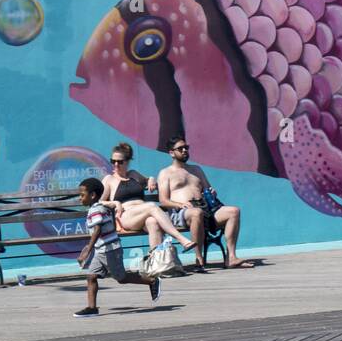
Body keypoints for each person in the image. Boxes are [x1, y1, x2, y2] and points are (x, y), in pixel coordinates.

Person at [156, 135, 253, 271]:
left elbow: (207, 188)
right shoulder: (165, 173)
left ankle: (231, 257)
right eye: (180, 148)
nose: (184, 150)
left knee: (233, 211)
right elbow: (163, 200)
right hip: (181, 213)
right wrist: (179, 204)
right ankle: (198, 258)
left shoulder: (196, 169)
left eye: (186, 148)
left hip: (205, 208)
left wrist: (212, 192)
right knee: (196, 213)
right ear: (171, 153)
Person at [74, 177, 161, 317]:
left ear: (92, 196)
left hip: (111, 250)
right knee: (91, 276)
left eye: (82, 195)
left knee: (121, 278)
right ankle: (92, 308)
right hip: (101, 250)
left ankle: (152, 280)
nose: (80, 198)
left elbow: (97, 229)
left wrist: (87, 250)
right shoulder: (97, 209)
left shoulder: (97, 210)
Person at [100, 142, 194, 253]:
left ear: (127, 162)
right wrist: (115, 203)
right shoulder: (109, 179)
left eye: (120, 162)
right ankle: (181, 239)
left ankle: (157, 262)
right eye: (113, 161)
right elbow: (99, 202)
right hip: (127, 217)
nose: (115, 164)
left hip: (144, 214)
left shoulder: (133, 174)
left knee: (152, 222)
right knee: (152, 206)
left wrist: (151, 179)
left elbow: (148, 179)